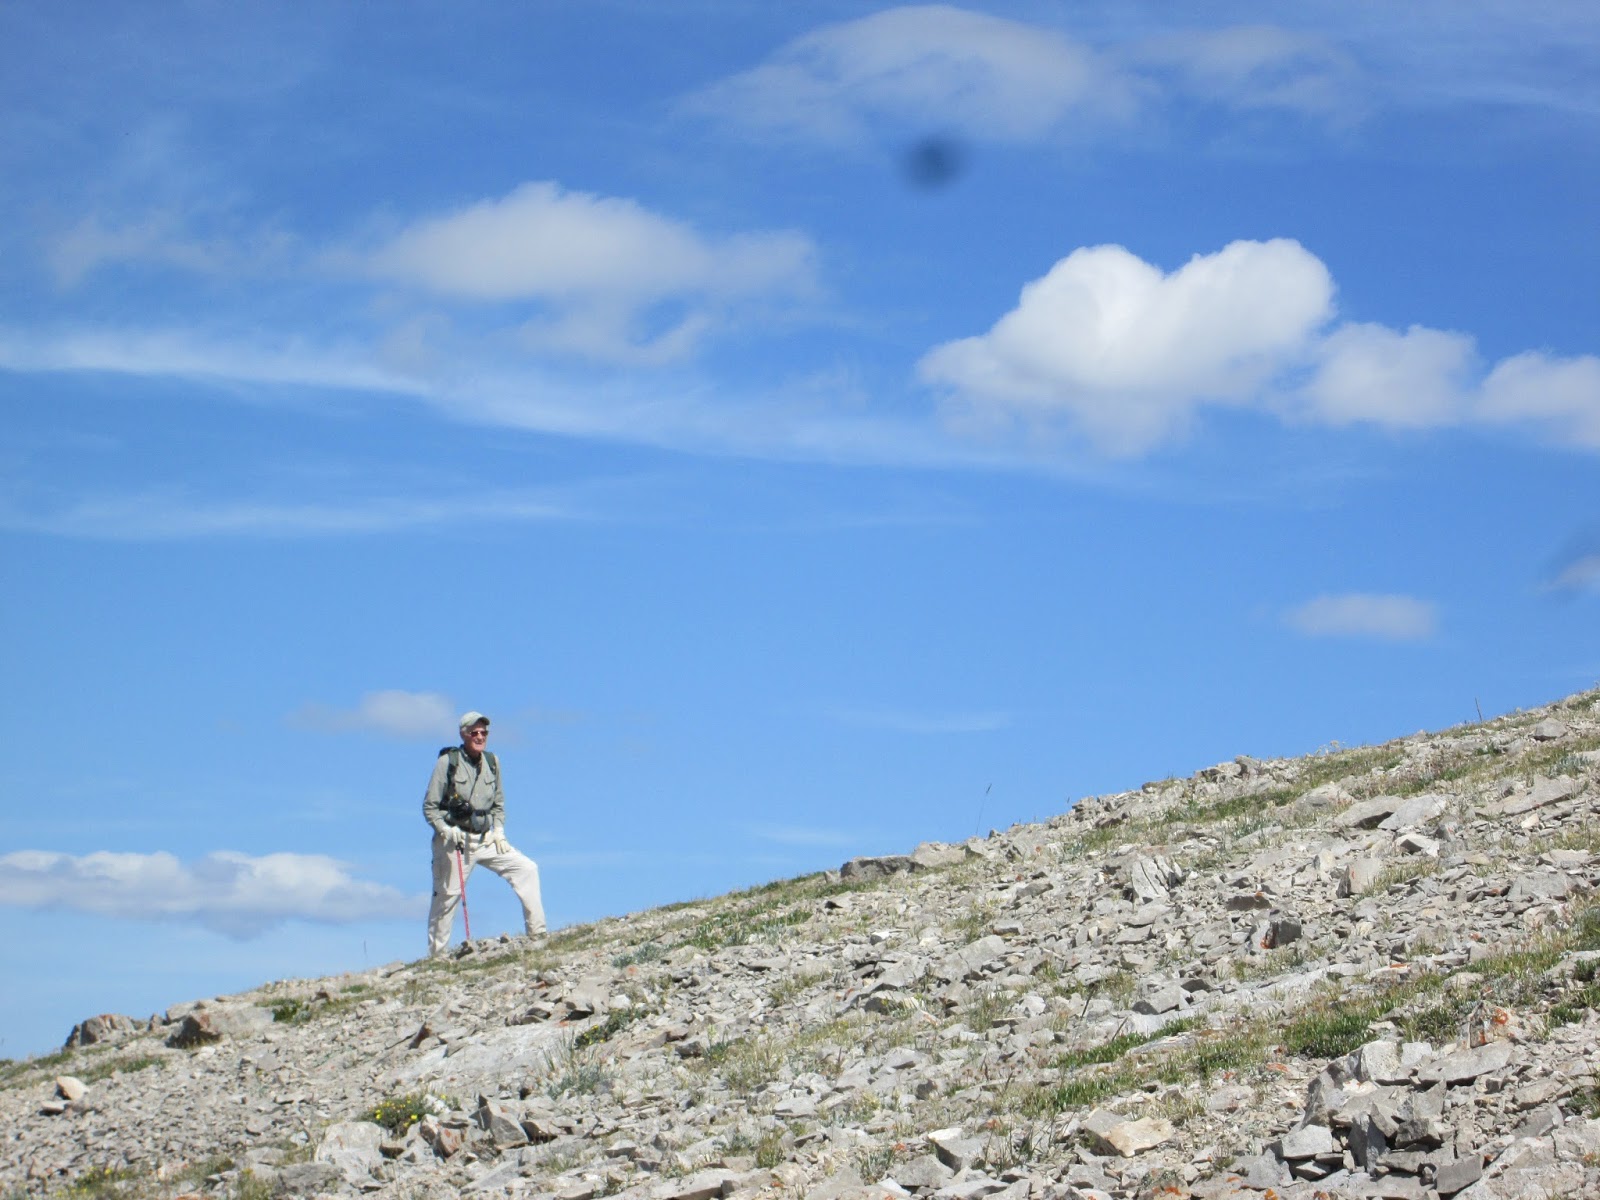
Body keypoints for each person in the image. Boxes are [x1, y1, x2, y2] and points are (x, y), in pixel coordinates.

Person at [423, 711, 546, 957]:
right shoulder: (448, 763)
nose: (480, 736)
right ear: (463, 734)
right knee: (447, 897)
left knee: (527, 868)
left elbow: (498, 804)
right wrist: (445, 830)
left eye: (483, 732)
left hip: (486, 837)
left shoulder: (493, 762)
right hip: (455, 840)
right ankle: (437, 957)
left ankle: (538, 934)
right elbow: (430, 807)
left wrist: (499, 830)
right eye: (474, 732)